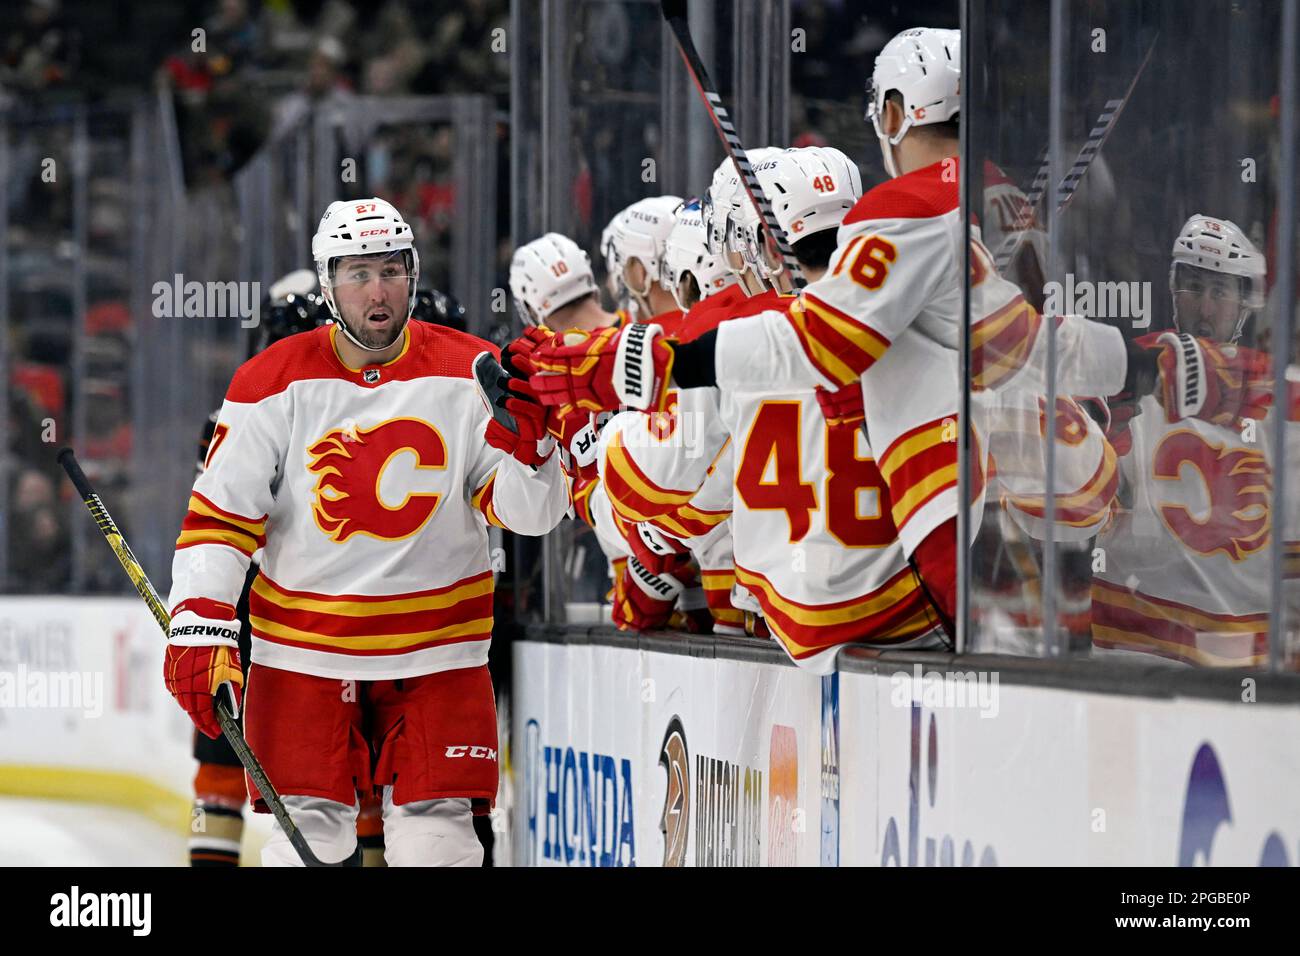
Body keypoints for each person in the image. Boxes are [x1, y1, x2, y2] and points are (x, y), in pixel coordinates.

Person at [164, 198, 568, 867]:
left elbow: (531, 514)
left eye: (390, 270)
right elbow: (219, 519)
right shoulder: (269, 381)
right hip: (304, 658)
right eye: (357, 274)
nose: (377, 291)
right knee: (307, 844)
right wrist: (201, 624)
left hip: (440, 657)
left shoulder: (474, 370)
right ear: (327, 283)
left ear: (412, 272)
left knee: (440, 843)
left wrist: (534, 449)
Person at [1090, 214, 1300, 666]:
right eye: (1194, 287)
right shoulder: (1129, 372)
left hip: (1241, 661)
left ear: (1243, 303)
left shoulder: (1281, 395)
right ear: (1174, 290)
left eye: (1219, 291)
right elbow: (1084, 508)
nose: (1204, 307)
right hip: (1134, 653)